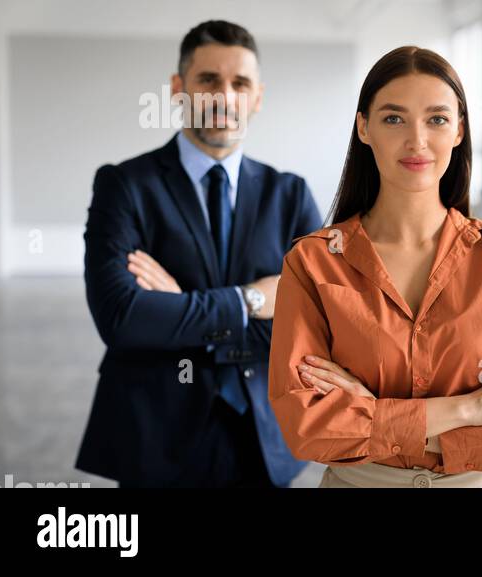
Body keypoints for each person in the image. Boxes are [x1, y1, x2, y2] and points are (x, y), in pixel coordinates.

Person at [268, 46, 482, 488]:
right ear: (364, 128)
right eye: (394, 118)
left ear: (458, 131)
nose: (417, 140)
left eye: (436, 119)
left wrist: (375, 416)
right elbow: (308, 428)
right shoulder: (314, 263)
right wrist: (472, 408)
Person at [77, 20, 322, 487]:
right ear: (178, 88)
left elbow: (320, 329)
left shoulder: (289, 194)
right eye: (208, 79)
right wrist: (249, 302)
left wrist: (176, 307)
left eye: (240, 83)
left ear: (257, 97)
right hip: (156, 436)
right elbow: (121, 318)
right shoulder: (124, 186)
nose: (223, 96)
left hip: (264, 436)